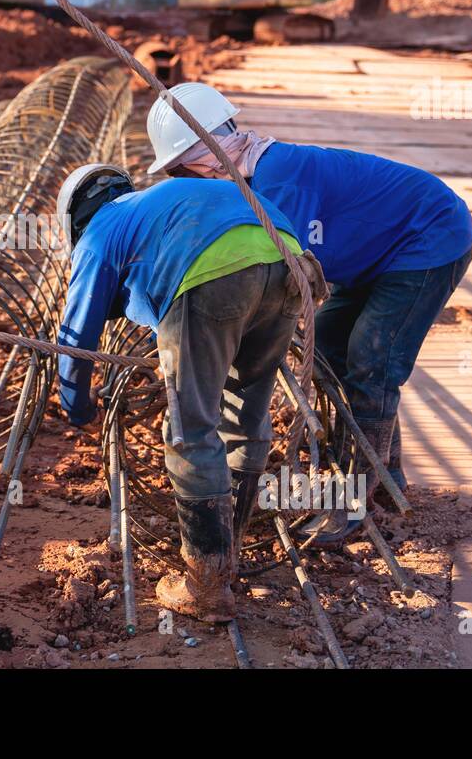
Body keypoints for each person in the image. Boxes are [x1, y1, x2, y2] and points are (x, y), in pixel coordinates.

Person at [146, 83, 472, 514]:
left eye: (183, 169)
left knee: (372, 362)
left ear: (207, 151)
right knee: (331, 350)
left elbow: (283, 274)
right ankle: (385, 479)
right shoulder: (254, 177)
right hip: (371, 258)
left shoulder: (279, 180)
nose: (185, 181)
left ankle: (355, 502)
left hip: (426, 240)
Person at [55, 163, 304, 622]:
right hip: (288, 259)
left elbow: (75, 337)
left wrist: (77, 408)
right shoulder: (159, 207)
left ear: (74, 220)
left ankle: (206, 586)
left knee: (192, 426)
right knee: (245, 412)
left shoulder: (98, 233)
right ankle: (230, 552)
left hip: (215, 271)